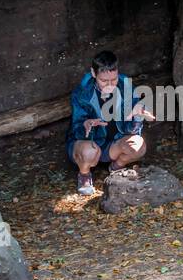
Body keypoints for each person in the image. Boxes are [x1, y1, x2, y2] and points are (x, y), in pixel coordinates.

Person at [66, 50, 155, 195]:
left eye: (113, 80)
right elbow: (76, 129)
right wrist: (86, 124)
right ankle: (84, 175)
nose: (110, 85)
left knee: (139, 145)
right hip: (90, 144)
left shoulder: (125, 86)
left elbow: (130, 131)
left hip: (114, 145)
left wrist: (137, 117)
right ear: (93, 74)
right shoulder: (82, 92)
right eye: (104, 81)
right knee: (89, 151)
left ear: (117, 72)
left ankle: (116, 168)